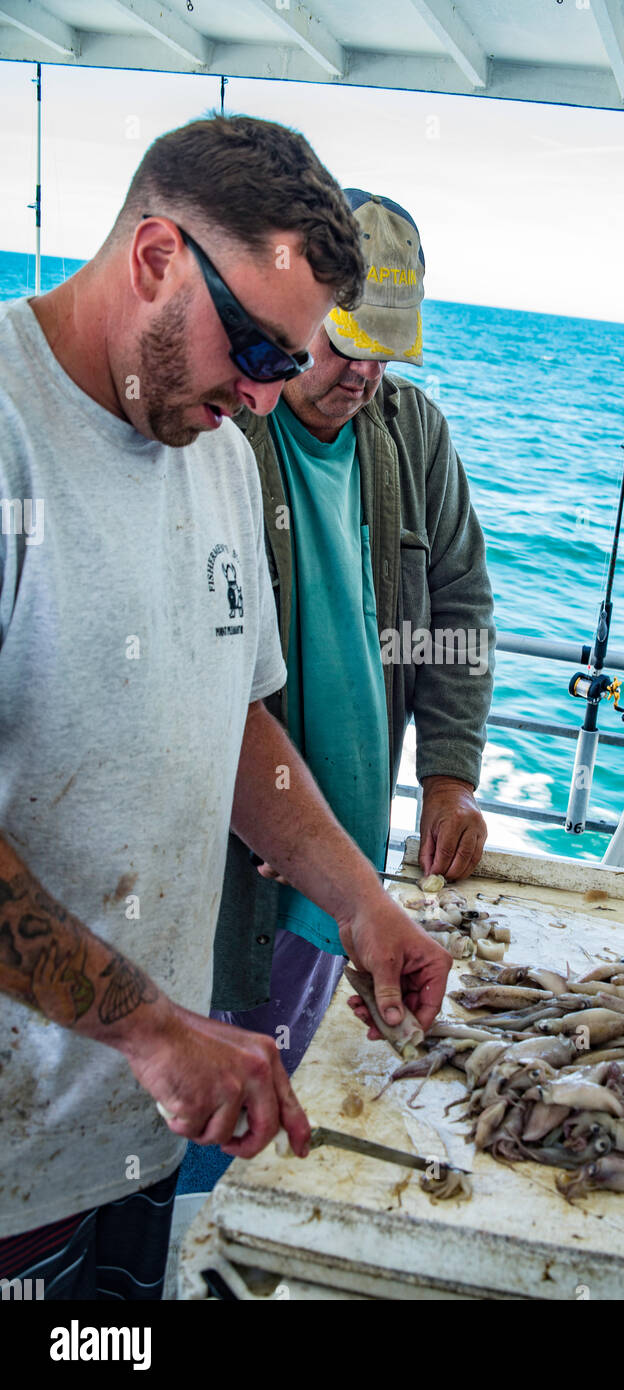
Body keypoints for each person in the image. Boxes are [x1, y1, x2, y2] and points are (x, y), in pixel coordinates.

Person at [0, 117, 450, 1300]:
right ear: (154, 255)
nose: (262, 395)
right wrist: (153, 1029)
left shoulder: (219, 452)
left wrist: (362, 904)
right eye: (252, 344)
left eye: (285, 365)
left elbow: (238, 724)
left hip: (143, 1126)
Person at [210, 190, 495, 1077]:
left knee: (303, 1097)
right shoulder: (217, 430)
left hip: (353, 873)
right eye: (345, 345)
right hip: (232, 876)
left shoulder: (416, 432)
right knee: (208, 1105)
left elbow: (460, 608)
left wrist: (447, 782)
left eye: (389, 353)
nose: (365, 375)